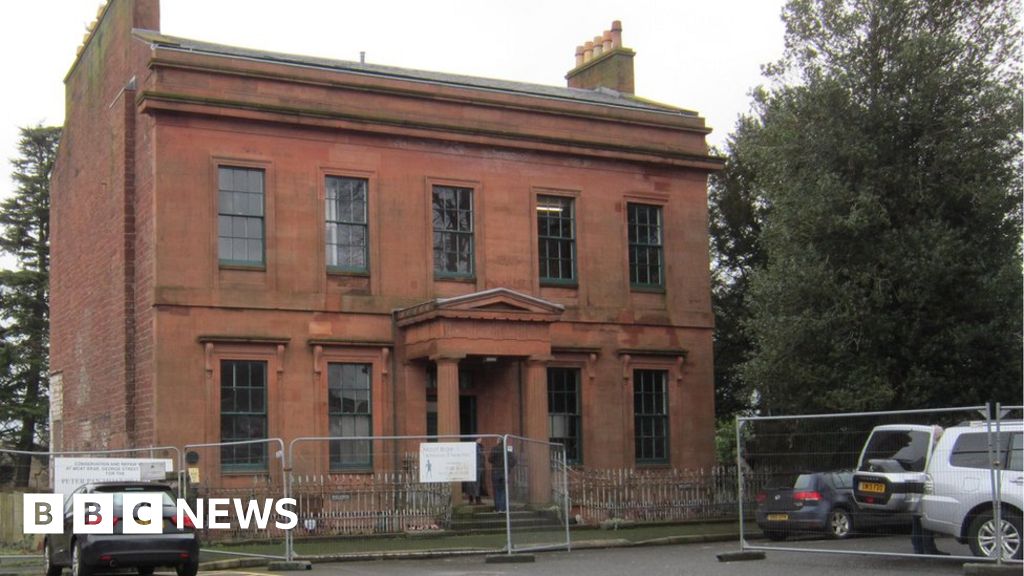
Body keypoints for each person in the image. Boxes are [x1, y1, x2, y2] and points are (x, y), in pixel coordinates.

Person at [489, 440, 516, 512]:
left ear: (498, 441)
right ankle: (503, 508)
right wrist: (508, 467)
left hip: (496, 472)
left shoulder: (494, 448)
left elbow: (490, 459)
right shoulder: (508, 448)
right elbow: (514, 460)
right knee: (504, 491)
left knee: (497, 490)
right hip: (505, 472)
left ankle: (498, 509)